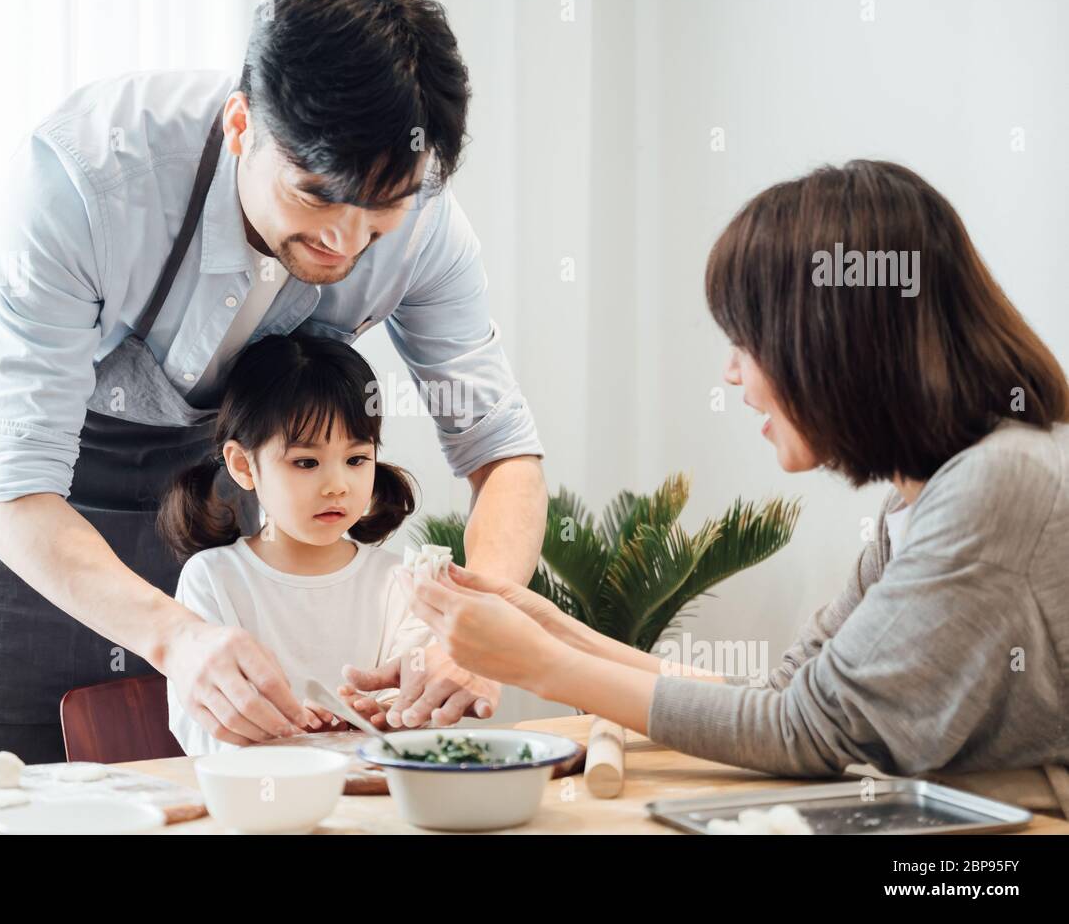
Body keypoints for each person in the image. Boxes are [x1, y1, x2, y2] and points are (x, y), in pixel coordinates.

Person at [0, 0, 546, 769]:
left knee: (233, 765)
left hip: (222, 463)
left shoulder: (427, 228)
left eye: (378, 215)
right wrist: (175, 636)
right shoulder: (85, 175)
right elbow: (11, 485)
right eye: (316, 197)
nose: (344, 245)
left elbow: (504, 453)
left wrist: (472, 635)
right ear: (241, 122)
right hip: (20, 492)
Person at [398, 160, 1069, 809]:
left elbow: (809, 728)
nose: (731, 375)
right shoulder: (926, 497)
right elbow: (785, 693)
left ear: (830, 341)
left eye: (745, 342)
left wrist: (542, 664)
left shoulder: (996, 486)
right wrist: (557, 632)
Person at [159, 333, 434, 755]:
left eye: (357, 459)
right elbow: (198, 727)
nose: (337, 486)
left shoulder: (400, 583)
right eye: (306, 462)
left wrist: (377, 720)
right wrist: (279, 729)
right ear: (242, 465)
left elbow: (416, 720)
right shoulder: (213, 578)